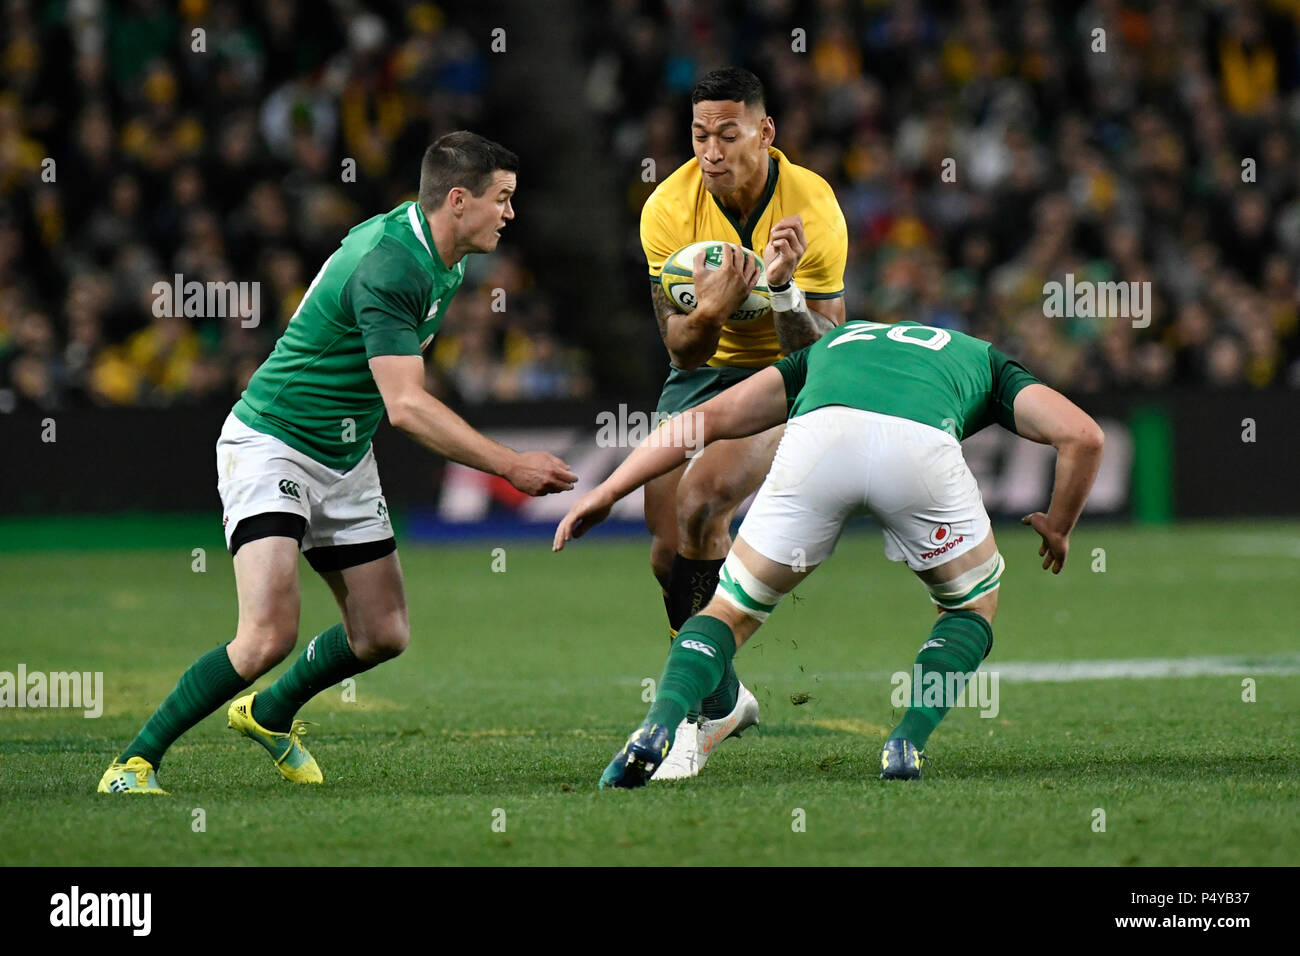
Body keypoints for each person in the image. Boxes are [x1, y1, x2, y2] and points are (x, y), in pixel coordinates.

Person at [99, 131, 576, 794]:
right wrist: (509, 465)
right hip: (274, 442)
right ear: (459, 199)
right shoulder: (392, 263)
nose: (510, 213)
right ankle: (133, 763)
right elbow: (407, 406)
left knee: (383, 633)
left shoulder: (449, 257)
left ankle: (270, 714)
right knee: (267, 637)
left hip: (344, 456)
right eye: (502, 199)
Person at [554, 319, 1103, 786]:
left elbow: (703, 421)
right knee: (968, 608)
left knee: (728, 611)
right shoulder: (985, 361)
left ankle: (658, 726)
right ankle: (906, 744)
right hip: (919, 453)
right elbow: (1083, 436)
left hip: (818, 442)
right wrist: (1059, 525)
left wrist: (607, 491)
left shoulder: (828, 348)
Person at [639, 67, 848, 778]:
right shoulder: (667, 209)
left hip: (784, 378)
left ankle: (691, 719)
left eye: (728, 133)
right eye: (700, 135)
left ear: (765, 131)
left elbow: (824, 350)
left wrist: (782, 289)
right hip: (700, 376)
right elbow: (680, 345)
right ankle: (725, 697)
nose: (712, 149)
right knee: (668, 549)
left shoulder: (811, 205)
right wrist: (711, 310)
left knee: (703, 501)